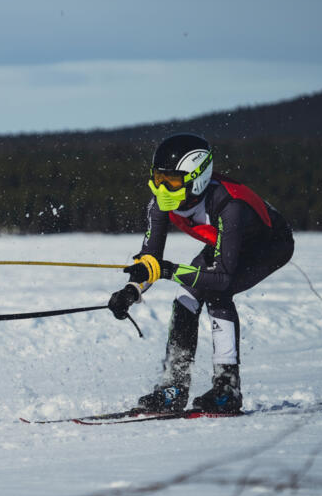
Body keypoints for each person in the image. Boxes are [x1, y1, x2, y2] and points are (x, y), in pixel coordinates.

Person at [108, 133, 294, 413]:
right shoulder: (161, 201)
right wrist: (131, 290)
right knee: (186, 298)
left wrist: (170, 271)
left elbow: (222, 277)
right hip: (224, 240)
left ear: (197, 178)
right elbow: (150, 260)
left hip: (268, 246)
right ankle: (173, 387)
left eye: (172, 181)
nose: (162, 188)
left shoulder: (230, 206)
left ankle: (227, 389)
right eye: (159, 178)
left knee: (217, 292)